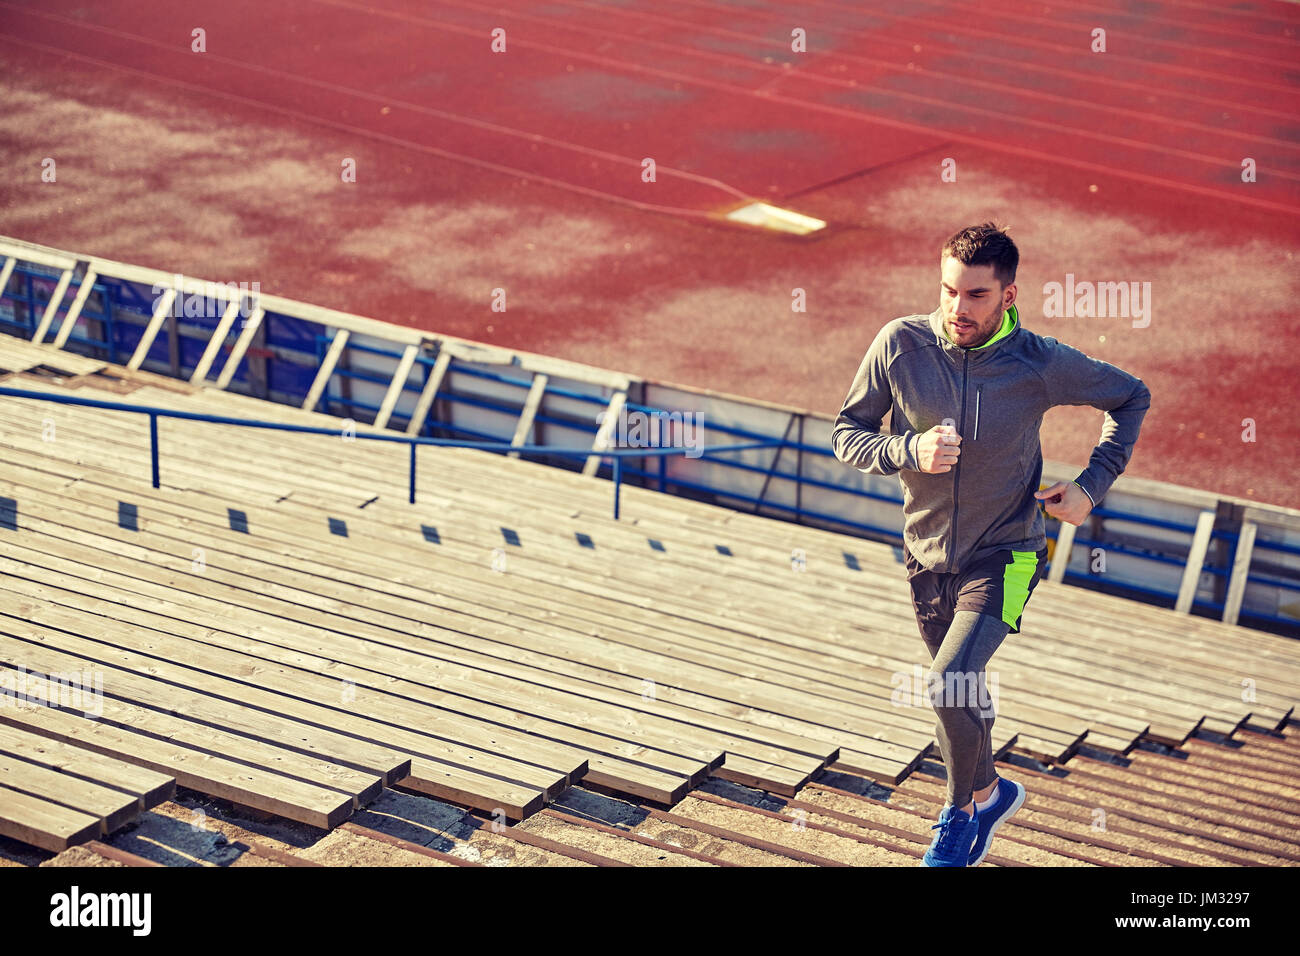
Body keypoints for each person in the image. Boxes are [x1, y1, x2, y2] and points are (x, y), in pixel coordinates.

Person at [830, 222, 1151, 866]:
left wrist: (1092, 486)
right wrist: (905, 450)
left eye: (975, 295)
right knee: (963, 693)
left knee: (949, 681)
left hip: (1010, 553)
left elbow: (1131, 396)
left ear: (1008, 295)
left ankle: (959, 814)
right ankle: (991, 791)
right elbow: (847, 433)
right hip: (926, 558)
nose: (957, 309)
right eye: (949, 291)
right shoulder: (900, 345)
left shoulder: (1036, 361)